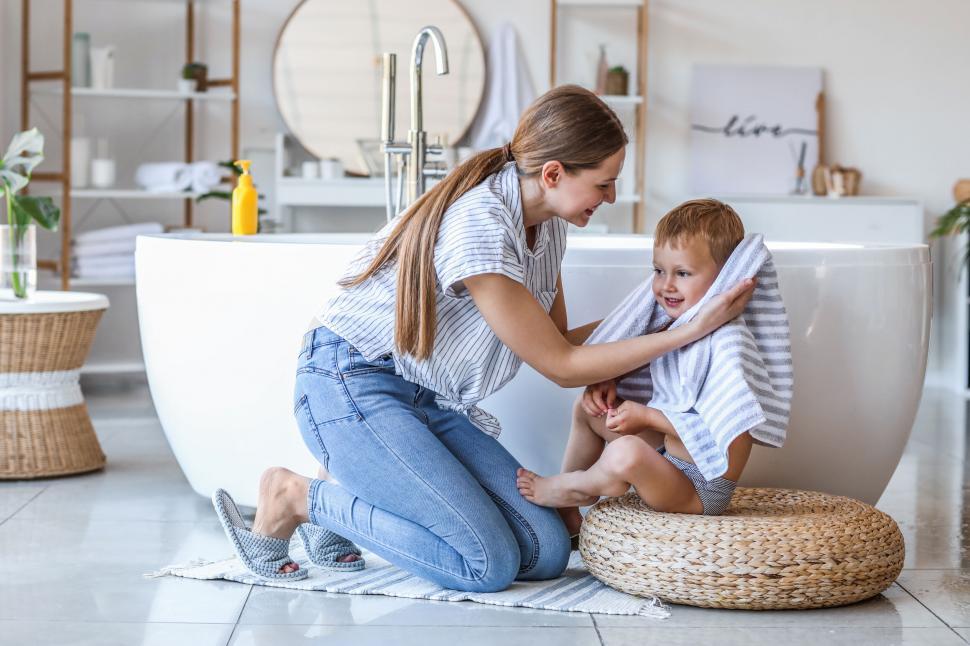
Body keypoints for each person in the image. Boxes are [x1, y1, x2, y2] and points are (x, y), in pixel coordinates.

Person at [211, 87, 755, 591]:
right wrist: (691, 330)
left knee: (544, 553)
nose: (611, 196)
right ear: (554, 173)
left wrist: (672, 323)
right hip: (350, 381)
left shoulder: (550, 224)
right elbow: (563, 365)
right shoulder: (482, 227)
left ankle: (353, 485)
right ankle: (297, 497)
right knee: (484, 564)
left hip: (424, 397)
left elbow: (558, 338)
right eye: (603, 182)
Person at [517, 199, 756, 536]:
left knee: (624, 450)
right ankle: (568, 515)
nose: (666, 285)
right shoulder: (678, 325)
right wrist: (616, 378)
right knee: (590, 411)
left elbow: (719, 427)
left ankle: (576, 487)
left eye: (683, 273)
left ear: (723, 279)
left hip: (699, 487)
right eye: (659, 271)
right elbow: (659, 374)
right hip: (669, 456)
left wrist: (645, 418)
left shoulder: (728, 346)